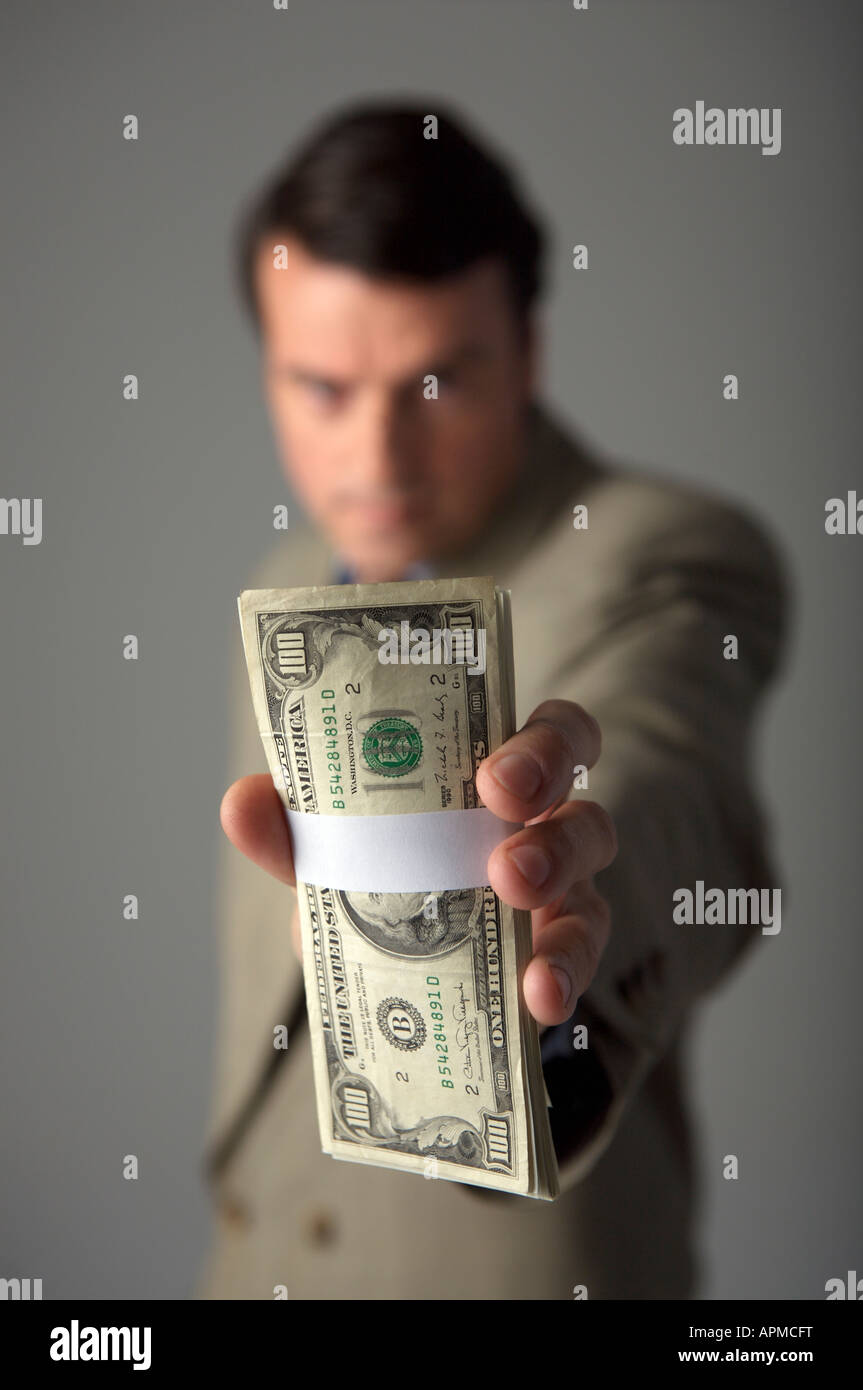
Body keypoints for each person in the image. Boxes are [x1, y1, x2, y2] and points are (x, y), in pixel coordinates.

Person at [195, 100, 790, 1299]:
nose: (375, 457)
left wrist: (575, 899)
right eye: (318, 386)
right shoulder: (284, 582)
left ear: (527, 351)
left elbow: (672, 782)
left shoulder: (666, 551)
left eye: (435, 382)